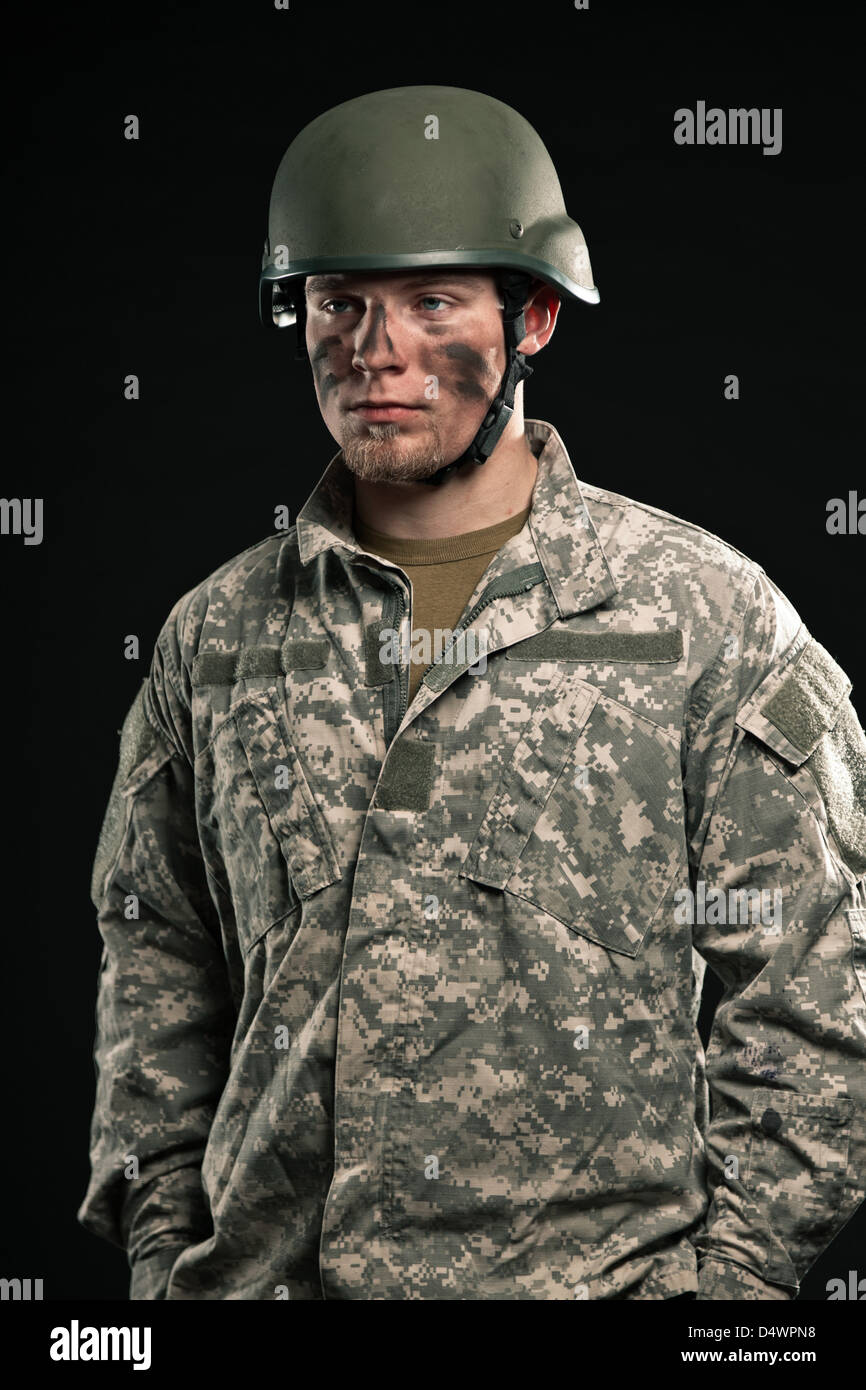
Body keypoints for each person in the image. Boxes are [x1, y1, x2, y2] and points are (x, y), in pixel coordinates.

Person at [78, 84, 866, 1301]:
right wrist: (161, 1264)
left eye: (431, 301)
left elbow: (815, 999)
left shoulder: (700, 621)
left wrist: (733, 1299)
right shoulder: (214, 641)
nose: (373, 350)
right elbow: (156, 985)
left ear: (533, 316)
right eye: (338, 302)